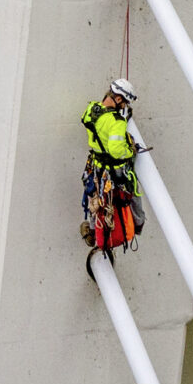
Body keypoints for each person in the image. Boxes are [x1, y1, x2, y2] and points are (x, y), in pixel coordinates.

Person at [79, 78, 142, 253]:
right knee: (133, 196)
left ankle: (93, 230)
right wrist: (130, 151)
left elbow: (90, 122)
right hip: (114, 171)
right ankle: (137, 225)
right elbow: (116, 150)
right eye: (125, 102)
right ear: (120, 99)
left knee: (96, 200)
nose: (124, 106)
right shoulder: (116, 122)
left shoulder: (92, 109)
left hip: (96, 167)